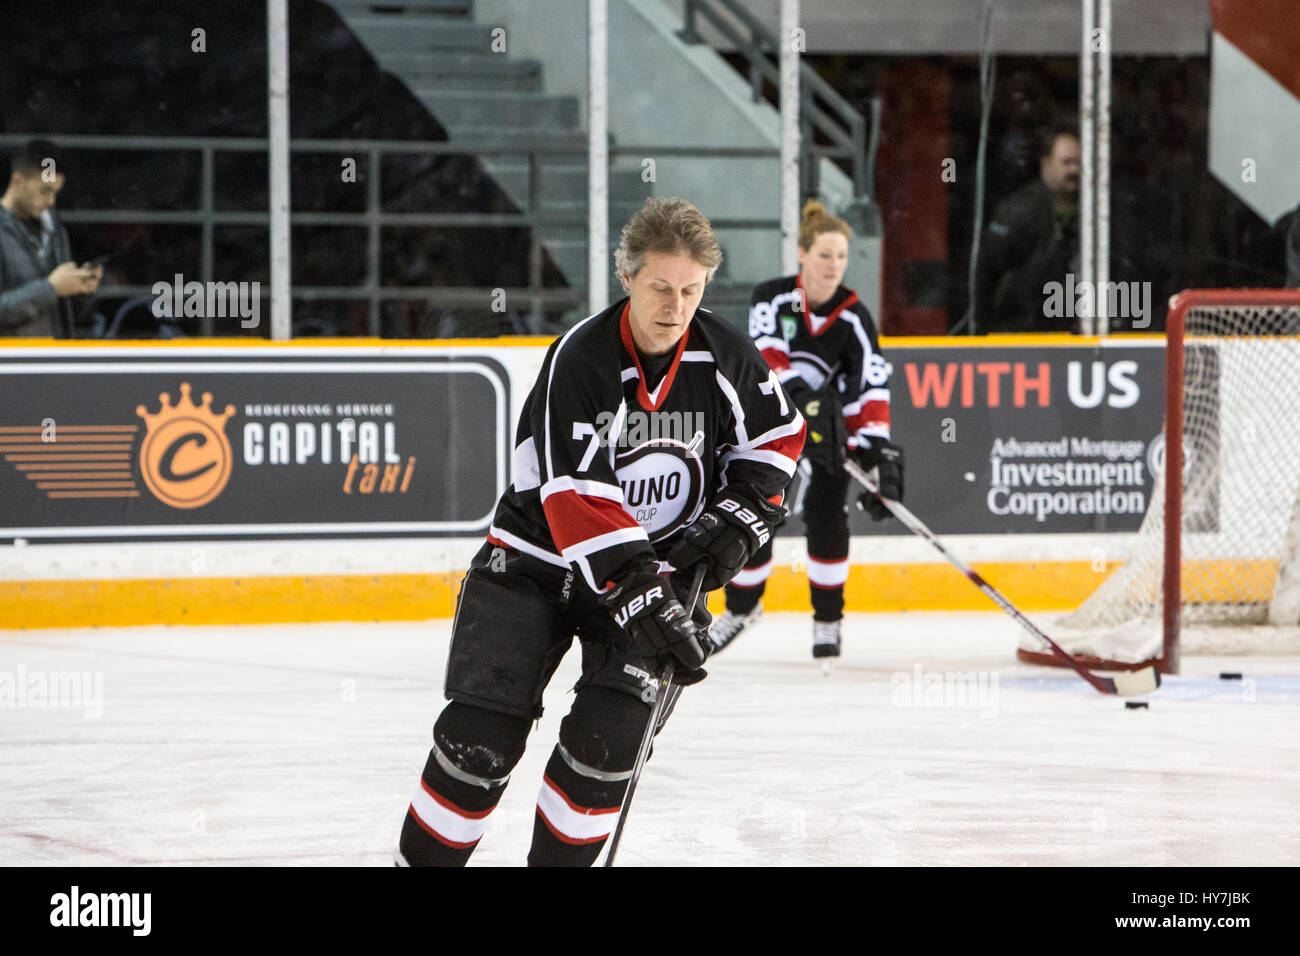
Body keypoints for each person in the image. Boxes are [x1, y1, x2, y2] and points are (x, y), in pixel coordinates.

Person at [395, 197, 805, 867]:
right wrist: (641, 590)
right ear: (627, 278)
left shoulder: (723, 352)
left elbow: (779, 438)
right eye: (660, 288)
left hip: (653, 579)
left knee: (604, 753)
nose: (675, 306)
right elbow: (576, 498)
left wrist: (742, 515)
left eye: (690, 290)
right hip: (534, 566)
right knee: (479, 744)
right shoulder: (581, 359)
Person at [710, 200, 903, 662]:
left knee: (827, 514)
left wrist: (875, 445)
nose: (834, 265)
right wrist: (804, 403)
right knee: (756, 513)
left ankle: (828, 622)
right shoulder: (773, 298)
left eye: (840, 256)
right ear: (801, 254)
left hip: (827, 436)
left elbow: (870, 383)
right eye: (824, 254)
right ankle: (741, 608)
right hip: (769, 429)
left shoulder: (855, 316)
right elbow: (765, 357)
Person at [974, 124, 1081, 333]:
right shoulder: (1018, 209)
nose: (1075, 170)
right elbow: (987, 271)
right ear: (1045, 162)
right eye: (1067, 162)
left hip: (1069, 328)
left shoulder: (1094, 209)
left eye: (1079, 162)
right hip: (1020, 330)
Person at [0, 140, 102, 337]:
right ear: (18, 181)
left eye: (55, 192)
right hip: (13, 363)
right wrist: (51, 288)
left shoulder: (54, 230)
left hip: (54, 359)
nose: (51, 201)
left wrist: (80, 291)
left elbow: (68, 314)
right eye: (45, 190)